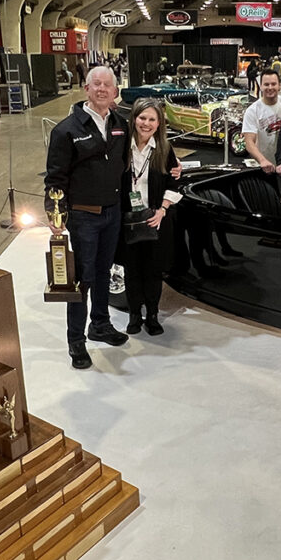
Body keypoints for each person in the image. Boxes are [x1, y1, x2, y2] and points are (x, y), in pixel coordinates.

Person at [45, 66, 130, 369]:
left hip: (112, 213)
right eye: (96, 84)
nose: (102, 89)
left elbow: (128, 164)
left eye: (108, 85)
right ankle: (76, 341)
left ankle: (101, 324)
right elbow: (55, 178)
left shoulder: (121, 124)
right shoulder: (66, 130)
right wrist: (55, 214)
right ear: (86, 89)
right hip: (83, 218)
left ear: (115, 91)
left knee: (105, 273)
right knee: (81, 280)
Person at [120, 99, 181, 336]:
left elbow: (174, 181)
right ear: (134, 118)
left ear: (159, 123)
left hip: (155, 219)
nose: (146, 123)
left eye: (151, 119)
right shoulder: (122, 146)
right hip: (128, 220)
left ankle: (152, 315)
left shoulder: (164, 149)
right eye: (142, 118)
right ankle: (135, 314)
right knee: (132, 270)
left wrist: (162, 210)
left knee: (153, 271)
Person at [242, 69, 281, 174]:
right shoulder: (252, 111)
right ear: (260, 86)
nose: (270, 88)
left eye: (273, 84)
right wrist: (262, 160)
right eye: (266, 84)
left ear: (279, 86)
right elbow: (249, 142)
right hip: (265, 167)